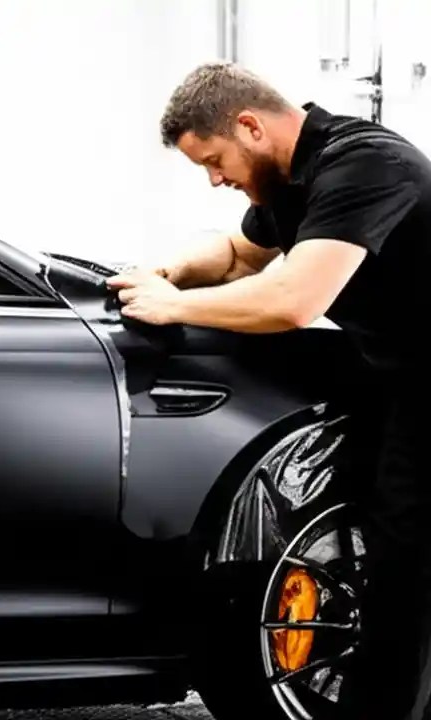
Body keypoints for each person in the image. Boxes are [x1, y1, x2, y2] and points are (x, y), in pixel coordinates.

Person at [108, 62, 431, 719]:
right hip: (392, 367)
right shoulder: (287, 180)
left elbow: (291, 299)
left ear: (250, 125)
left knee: (406, 558)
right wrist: (166, 270)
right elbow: (236, 255)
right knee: (375, 544)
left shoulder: (367, 166)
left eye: (215, 160)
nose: (216, 179)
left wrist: (174, 308)